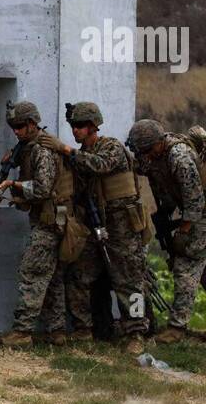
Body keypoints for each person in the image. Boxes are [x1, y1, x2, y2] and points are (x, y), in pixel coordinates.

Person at [127, 118, 206, 344]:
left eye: (146, 150)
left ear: (158, 144)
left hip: (205, 213)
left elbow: (195, 202)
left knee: (186, 266)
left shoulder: (180, 158)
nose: (143, 156)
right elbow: (139, 166)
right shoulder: (154, 154)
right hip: (200, 211)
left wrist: (183, 233)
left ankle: (177, 328)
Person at [56, 102, 149, 355]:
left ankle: (136, 332)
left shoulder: (111, 147)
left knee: (129, 281)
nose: (75, 131)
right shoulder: (80, 155)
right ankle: (83, 330)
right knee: (78, 275)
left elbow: (100, 165)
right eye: (73, 126)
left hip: (122, 227)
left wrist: (65, 150)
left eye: (80, 126)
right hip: (95, 225)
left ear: (93, 126)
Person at [0, 101, 71, 347]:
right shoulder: (29, 147)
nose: (16, 131)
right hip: (49, 218)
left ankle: (22, 332)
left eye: (20, 126)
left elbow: (41, 188)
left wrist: (13, 185)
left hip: (50, 221)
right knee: (53, 276)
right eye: (13, 127)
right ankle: (57, 332)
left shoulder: (42, 149)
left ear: (32, 124)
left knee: (32, 272)